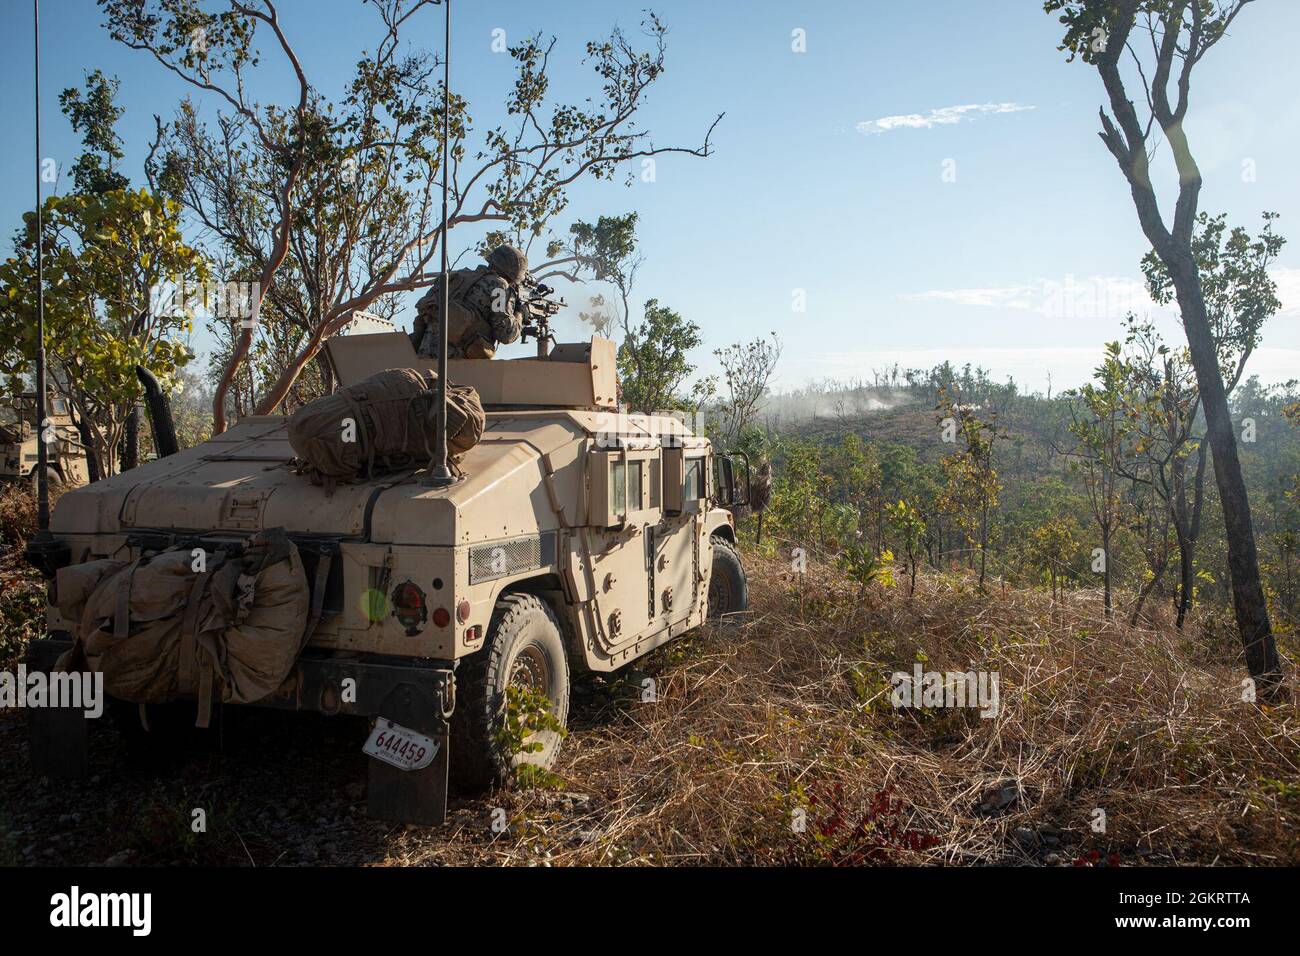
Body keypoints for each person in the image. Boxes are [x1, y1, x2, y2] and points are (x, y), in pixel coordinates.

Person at [411, 245, 529, 359]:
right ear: (513, 274)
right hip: (460, 364)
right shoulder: (499, 286)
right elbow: (506, 334)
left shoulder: (457, 276)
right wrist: (520, 313)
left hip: (424, 355)